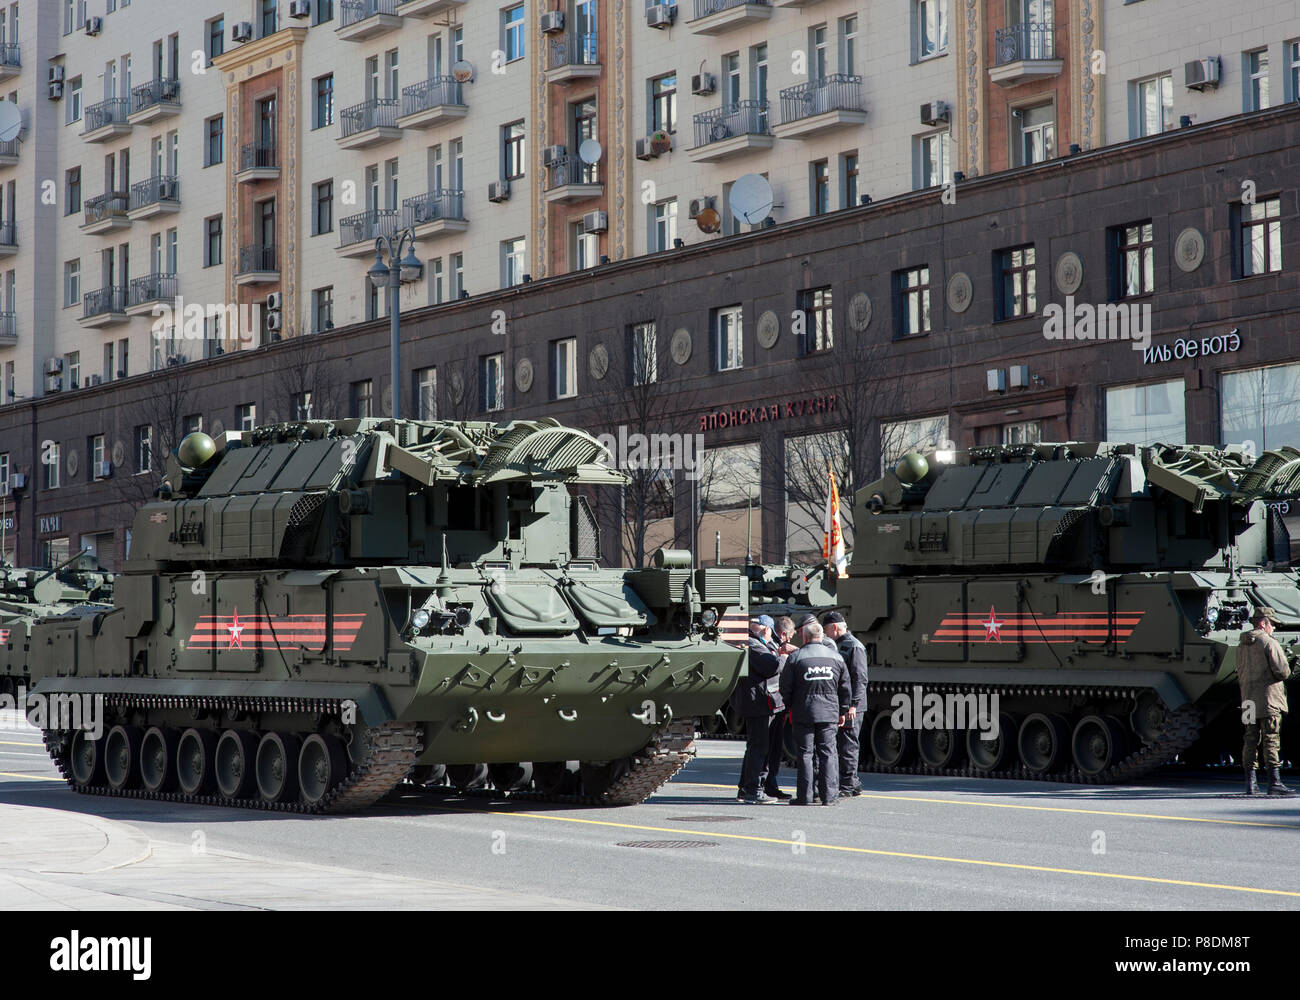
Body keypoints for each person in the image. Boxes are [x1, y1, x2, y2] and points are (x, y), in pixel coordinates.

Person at [779, 619, 851, 806]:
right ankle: (829, 797)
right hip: (829, 713)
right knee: (828, 753)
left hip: (803, 712)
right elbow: (845, 688)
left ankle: (805, 796)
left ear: (804, 636)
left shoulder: (796, 658)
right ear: (821, 637)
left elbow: (785, 687)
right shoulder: (836, 657)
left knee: (805, 754)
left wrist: (790, 706)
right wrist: (843, 710)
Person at [1238, 606, 1295, 796]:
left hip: (1248, 698)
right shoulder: (1268, 642)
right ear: (1263, 623)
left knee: (1250, 738)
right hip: (1269, 698)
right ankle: (1274, 781)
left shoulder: (1241, 644)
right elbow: (1282, 671)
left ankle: (1250, 783)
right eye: (1273, 624)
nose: (1274, 629)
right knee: (1271, 739)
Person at [735, 615, 783, 804]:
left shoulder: (755, 643)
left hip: (762, 701)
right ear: (766, 630)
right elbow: (771, 666)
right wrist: (785, 659)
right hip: (758, 703)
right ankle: (753, 790)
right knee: (758, 748)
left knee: (757, 747)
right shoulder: (753, 645)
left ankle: (748, 787)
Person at [823, 611, 868, 797]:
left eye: (826, 630)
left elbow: (860, 678)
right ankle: (853, 782)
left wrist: (853, 705)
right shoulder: (840, 645)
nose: (825, 634)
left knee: (848, 745)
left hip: (851, 706)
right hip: (842, 704)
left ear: (835, 627)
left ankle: (848, 785)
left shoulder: (853, 647)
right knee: (844, 743)